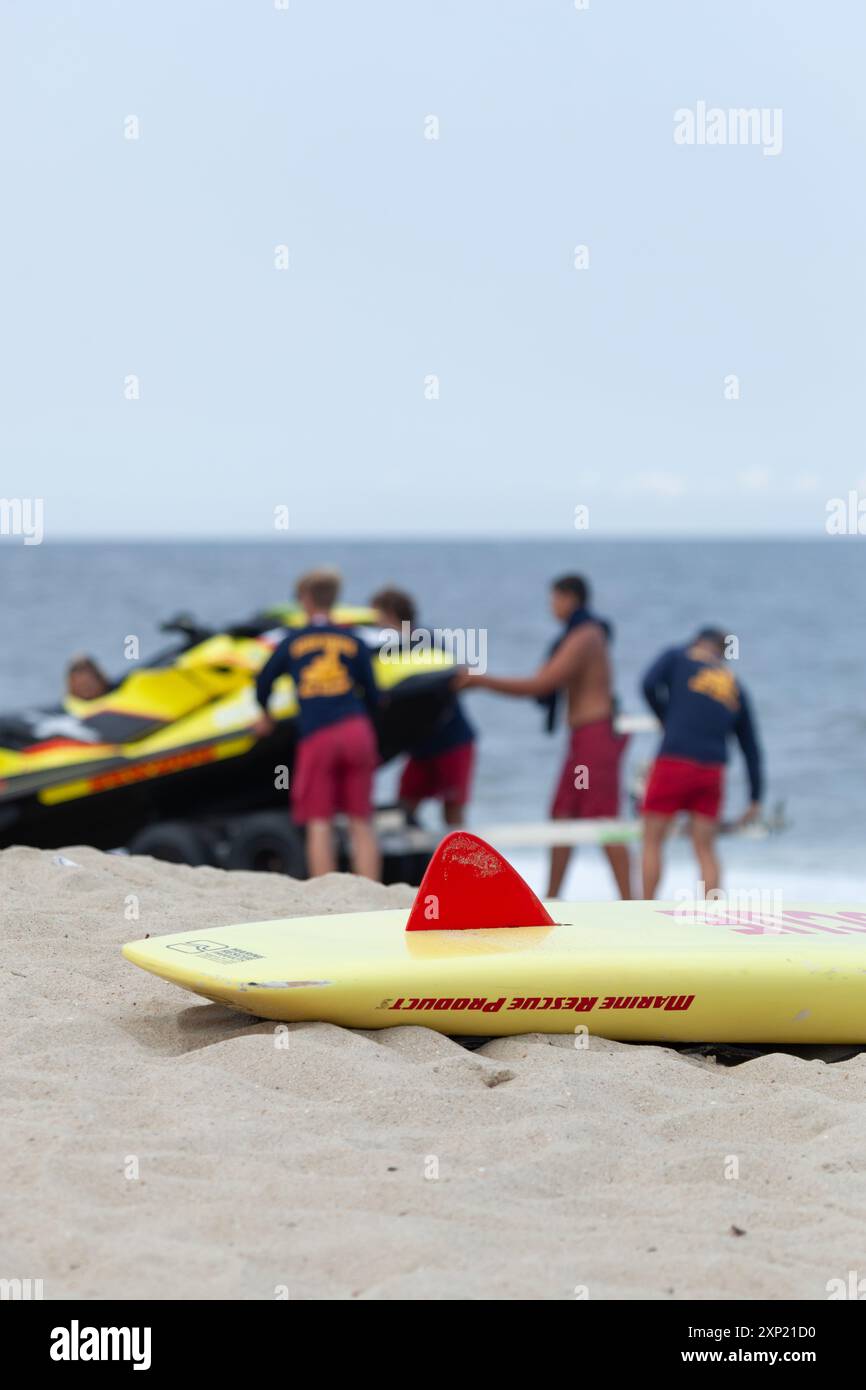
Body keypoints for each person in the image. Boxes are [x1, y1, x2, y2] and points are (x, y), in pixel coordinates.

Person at [455, 574, 631, 899]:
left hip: (596, 738)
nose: (552, 606)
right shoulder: (580, 635)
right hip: (583, 738)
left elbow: (541, 685)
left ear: (569, 598)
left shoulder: (584, 636)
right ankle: (552, 898)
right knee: (562, 815)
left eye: (555, 599)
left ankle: (633, 902)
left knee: (604, 821)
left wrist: (482, 681)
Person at [253, 568, 381, 879]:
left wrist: (266, 714)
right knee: (360, 820)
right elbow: (375, 694)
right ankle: (371, 892)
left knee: (318, 819)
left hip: (318, 735)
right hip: (356, 730)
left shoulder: (292, 641)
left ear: (305, 600)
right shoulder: (352, 639)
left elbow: (262, 681)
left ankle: (328, 891)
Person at [640, 627, 763, 898]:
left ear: (697, 642)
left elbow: (648, 684)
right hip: (712, 770)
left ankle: (644, 911)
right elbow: (750, 747)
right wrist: (755, 798)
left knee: (652, 841)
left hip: (674, 760)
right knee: (705, 848)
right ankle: (713, 916)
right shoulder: (734, 685)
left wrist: (666, 719)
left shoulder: (677, 656)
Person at [370, 587, 476, 826]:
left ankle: (460, 861)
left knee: (452, 811)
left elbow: (451, 678)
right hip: (419, 746)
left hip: (452, 740)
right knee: (405, 806)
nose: (374, 625)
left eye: (377, 618)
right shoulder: (382, 648)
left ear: (390, 615)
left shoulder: (423, 640)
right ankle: (418, 860)